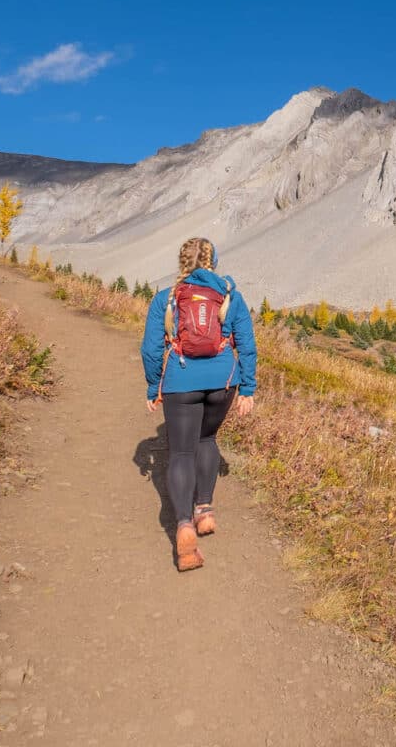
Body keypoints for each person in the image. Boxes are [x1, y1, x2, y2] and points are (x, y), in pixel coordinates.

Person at [141, 236, 257, 572]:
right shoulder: (230, 296)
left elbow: (151, 349)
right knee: (207, 439)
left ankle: (183, 526)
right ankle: (204, 510)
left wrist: (154, 386)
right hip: (224, 382)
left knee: (181, 453)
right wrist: (247, 388)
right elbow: (247, 344)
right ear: (213, 262)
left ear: (181, 262)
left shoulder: (166, 299)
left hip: (180, 381)